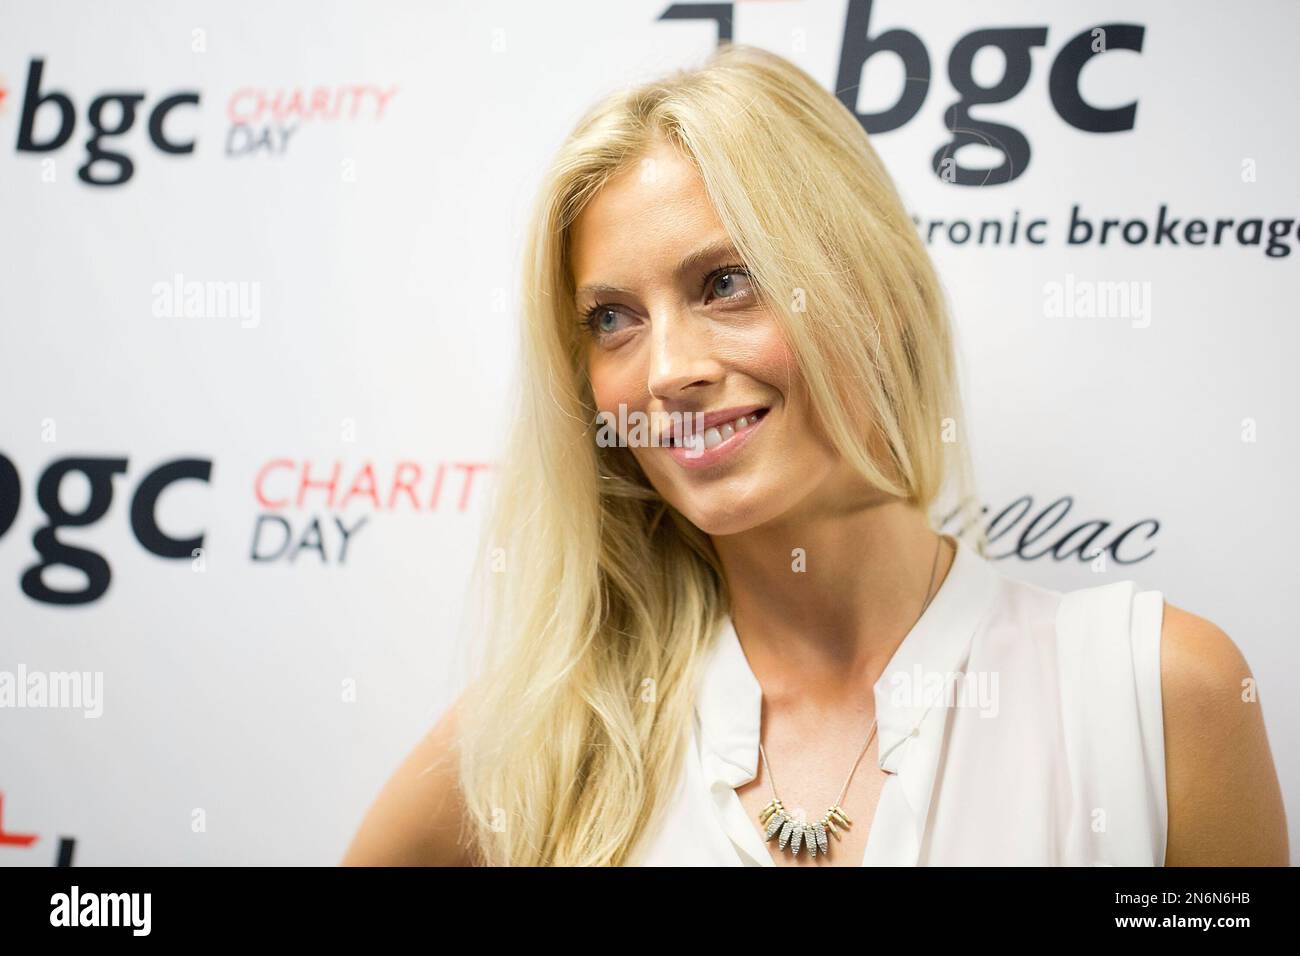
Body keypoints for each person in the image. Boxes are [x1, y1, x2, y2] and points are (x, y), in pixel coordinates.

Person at [343, 43, 1288, 866]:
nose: (667, 370)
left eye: (725, 283)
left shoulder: (1154, 697)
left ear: (870, 290)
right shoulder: (555, 736)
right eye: (612, 319)